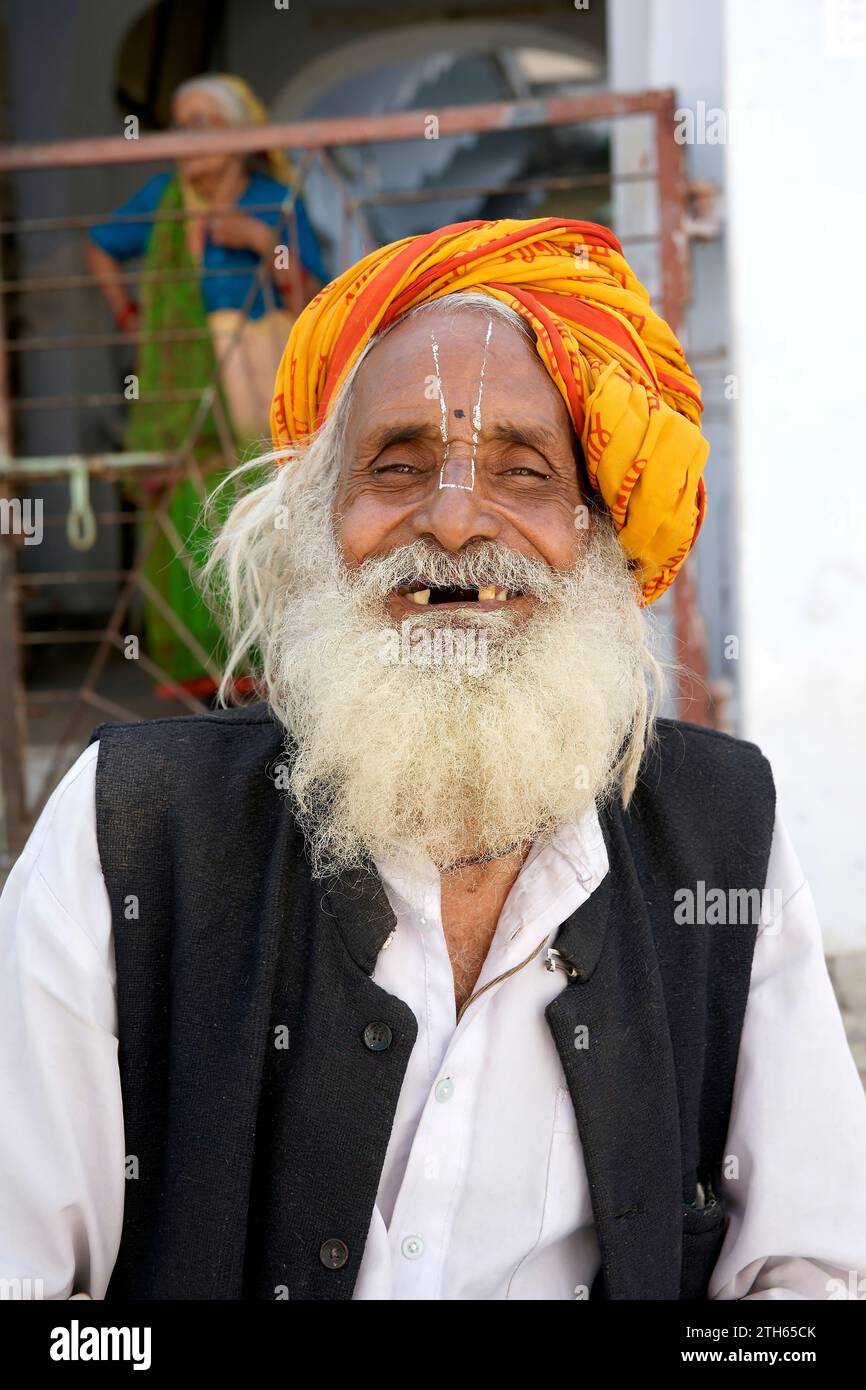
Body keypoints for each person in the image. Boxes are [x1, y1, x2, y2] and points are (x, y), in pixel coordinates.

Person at [2, 217, 865, 1301]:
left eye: (523, 469)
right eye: (397, 462)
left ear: (598, 533)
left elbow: (804, 1277)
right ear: (321, 526)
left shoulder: (722, 830)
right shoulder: (129, 828)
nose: (453, 519)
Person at [85, 73, 327, 697]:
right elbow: (99, 244)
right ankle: (196, 672)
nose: (187, 136)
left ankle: (268, 663)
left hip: (260, 364)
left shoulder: (275, 198)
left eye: (203, 123)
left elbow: (316, 298)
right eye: (179, 123)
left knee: (258, 491)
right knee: (190, 502)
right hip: (186, 379)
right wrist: (126, 313)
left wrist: (261, 242)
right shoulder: (164, 200)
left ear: (243, 136)